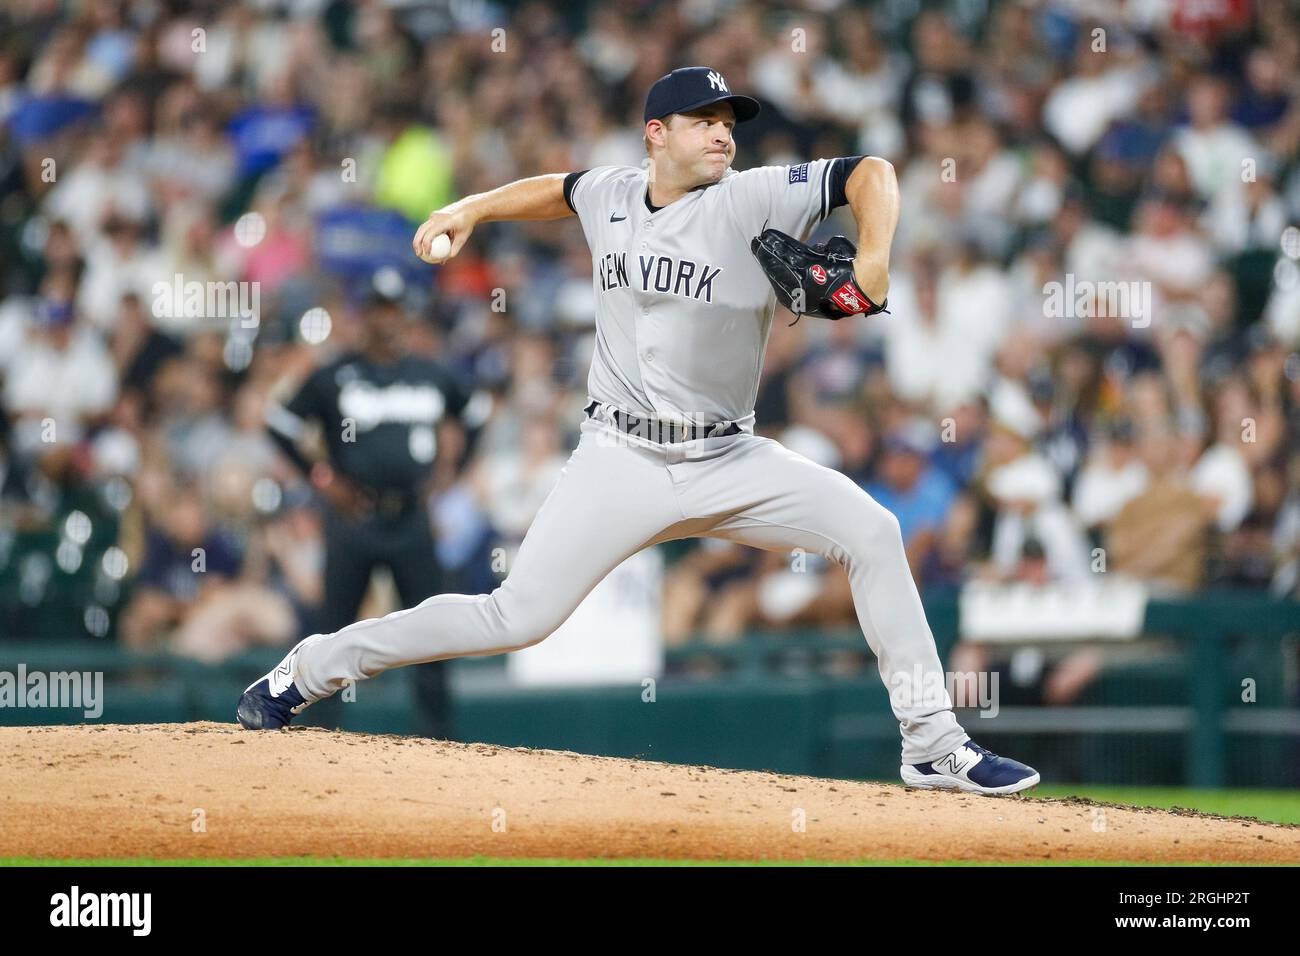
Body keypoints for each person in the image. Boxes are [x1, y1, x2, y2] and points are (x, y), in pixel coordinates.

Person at [238, 67, 1039, 795]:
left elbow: (873, 174)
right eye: (703, 119)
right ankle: (310, 668)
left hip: (729, 452)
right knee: (514, 618)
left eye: (730, 119)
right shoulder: (613, 193)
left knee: (872, 530)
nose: (724, 132)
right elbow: (560, 187)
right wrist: (471, 207)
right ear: (657, 134)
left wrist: (874, 256)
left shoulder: (753, 195)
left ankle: (932, 743)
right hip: (619, 455)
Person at [262, 282, 470, 737]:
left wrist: (452, 471)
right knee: (332, 628)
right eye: (379, 308)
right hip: (354, 516)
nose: (387, 319)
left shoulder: (429, 373)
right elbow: (279, 424)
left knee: (431, 628)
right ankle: (312, 735)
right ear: (364, 315)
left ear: (406, 317)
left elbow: (474, 412)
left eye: (395, 309)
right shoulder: (337, 375)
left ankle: (438, 740)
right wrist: (321, 478)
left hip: (412, 516)